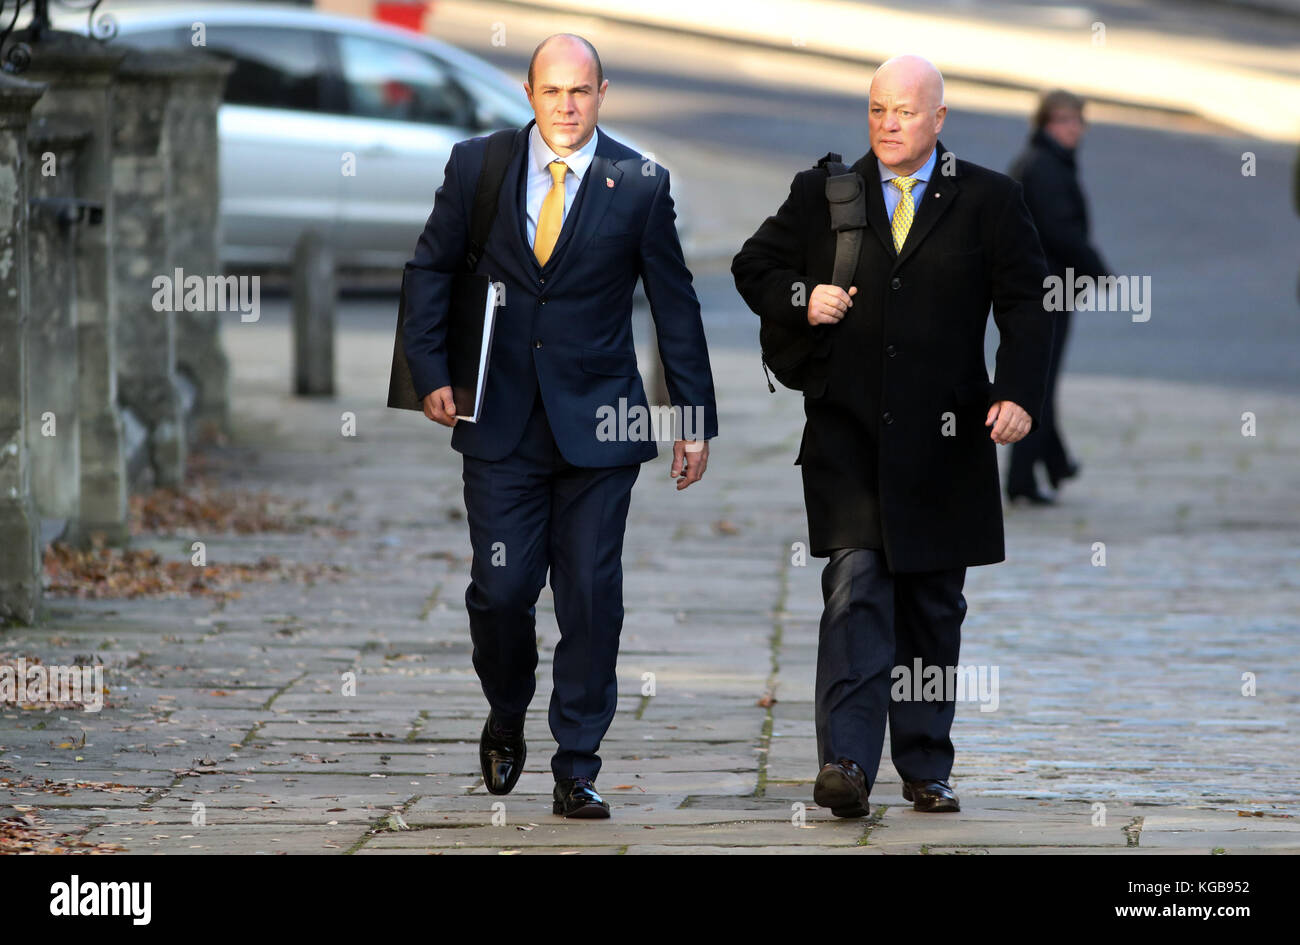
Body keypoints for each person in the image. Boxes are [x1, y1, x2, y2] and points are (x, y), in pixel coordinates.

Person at [403, 33, 718, 819]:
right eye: (553, 92)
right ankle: (507, 706)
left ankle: (576, 764)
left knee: (590, 598)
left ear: (602, 93)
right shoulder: (477, 167)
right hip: (500, 421)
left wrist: (693, 418)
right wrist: (431, 372)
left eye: (581, 92)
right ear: (529, 93)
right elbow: (430, 269)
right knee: (502, 591)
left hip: (600, 429)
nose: (568, 106)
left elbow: (674, 305)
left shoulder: (640, 183)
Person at [732, 55, 1053, 816]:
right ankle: (845, 760)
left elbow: (1028, 305)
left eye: (904, 111)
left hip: (948, 447)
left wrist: (1016, 394)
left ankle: (924, 763)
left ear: (939, 119)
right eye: (877, 109)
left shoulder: (990, 199)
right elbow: (755, 266)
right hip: (848, 437)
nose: (887, 124)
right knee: (855, 592)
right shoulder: (825, 193)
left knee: (933, 609)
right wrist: (804, 297)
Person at [1005, 90, 1109, 504]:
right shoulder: (1045, 168)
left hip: (1044, 287)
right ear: (1046, 123)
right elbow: (1060, 230)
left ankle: (1051, 463)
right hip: (1047, 289)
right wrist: (1099, 271)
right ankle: (1024, 479)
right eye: (1066, 121)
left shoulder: (1042, 161)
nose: (1075, 130)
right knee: (1038, 384)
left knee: (1040, 381)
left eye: (1079, 121)